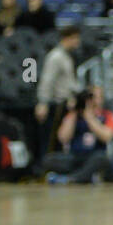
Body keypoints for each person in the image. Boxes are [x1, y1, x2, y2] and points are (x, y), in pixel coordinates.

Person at [40, 87, 113, 184]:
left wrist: (89, 117)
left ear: (102, 99)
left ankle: (70, 178)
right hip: (74, 157)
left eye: (95, 97)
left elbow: (107, 136)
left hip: (93, 156)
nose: (92, 101)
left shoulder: (106, 115)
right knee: (49, 160)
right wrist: (74, 112)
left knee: (102, 159)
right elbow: (63, 138)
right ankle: (82, 176)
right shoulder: (74, 115)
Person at [34, 26, 82, 163]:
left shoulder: (67, 56)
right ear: (68, 38)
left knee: (60, 142)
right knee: (50, 141)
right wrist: (43, 103)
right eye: (75, 38)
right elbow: (47, 81)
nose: (78, 42)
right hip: (56, 106)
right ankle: (46, 168)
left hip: (65, 105)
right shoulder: (56, 57)